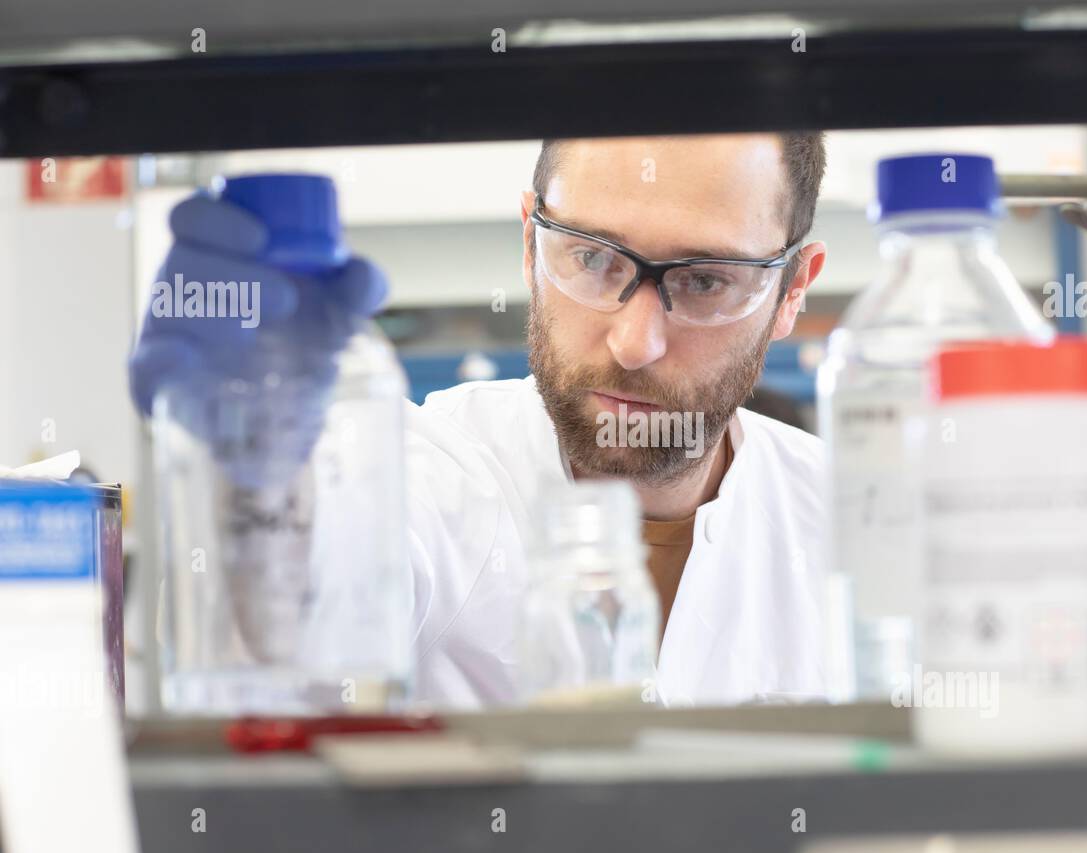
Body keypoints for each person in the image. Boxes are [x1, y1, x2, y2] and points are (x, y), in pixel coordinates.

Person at [130, 133, 830, 708]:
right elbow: (277, 646)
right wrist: (247, 474)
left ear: (793, 289)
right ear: (530, 243)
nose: (634, 342)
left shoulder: (847, 516)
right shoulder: (420, 476)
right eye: (591, 258)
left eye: (705, 281)